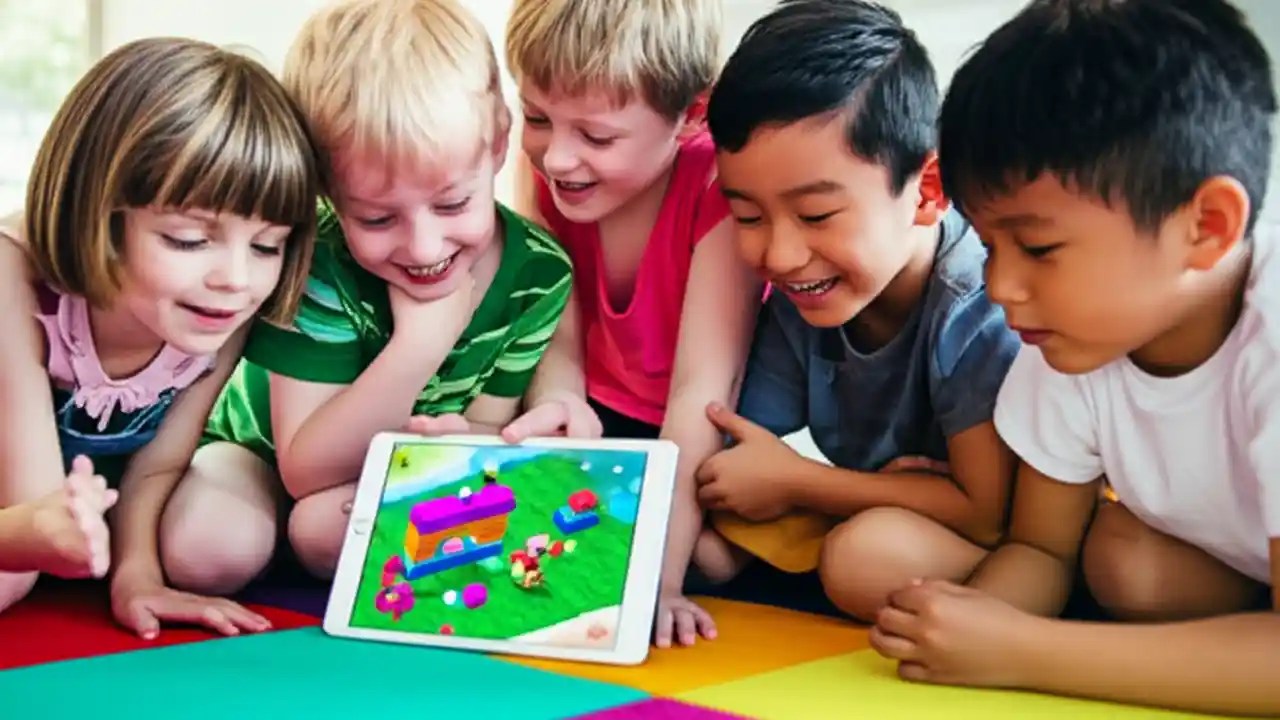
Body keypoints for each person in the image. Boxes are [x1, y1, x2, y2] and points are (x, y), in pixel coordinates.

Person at [868, 1, 1280, 715]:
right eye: (991, 246)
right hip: (1222, 559)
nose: (1000, 287)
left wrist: (1025, 653)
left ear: (1206, 228)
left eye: (1039, 249)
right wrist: (959, 633)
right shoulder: (1071, 345)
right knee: (1129, 566)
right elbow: (1040, 551)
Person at [200, 0, 575, 580]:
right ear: (326, 188)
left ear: (499, 141)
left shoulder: (538, 275)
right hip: (261, 452)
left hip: (377, 468)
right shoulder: (315, 261)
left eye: (453, 203)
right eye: (377, 220)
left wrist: (463, 441)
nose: (424, 249)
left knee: (324, 529)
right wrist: (420, 345)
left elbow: (485, 423)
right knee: (208, 553)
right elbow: (302, 466)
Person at [698, 0, 1021, 621]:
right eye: (747, 216)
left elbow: (986, 514)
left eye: (817, 215)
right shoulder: (807, 293)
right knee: (710, 544)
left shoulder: (973, 303)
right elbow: (743, 444)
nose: (781, 253)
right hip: (894, 507)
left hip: (996, 537)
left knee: (863, 558)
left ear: (926, 191)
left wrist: (800, 481)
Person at [0, 37, 320, 642]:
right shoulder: (11, 277)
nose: (236, 278)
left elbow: (158, 463)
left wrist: (136, 578)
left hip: (66, 511)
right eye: (188, 240)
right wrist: (44, 537)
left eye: (267, 245)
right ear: (98, 210)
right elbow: (35, 505)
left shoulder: (220, 302)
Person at [502, 0, 763, 648]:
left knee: (708, 559)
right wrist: (559, 401)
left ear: (691, 114)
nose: (557, 157)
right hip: (607, 423)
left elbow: (703, 389)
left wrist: (657, 580)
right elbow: (555, 332)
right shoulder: (545, 171)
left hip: (702, 432)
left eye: (596, 136)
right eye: (537, 118)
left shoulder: (716, 182)